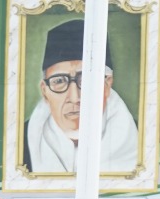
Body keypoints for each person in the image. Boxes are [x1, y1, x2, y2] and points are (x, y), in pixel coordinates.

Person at [23, 18, 140, 174]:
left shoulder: (143, 137)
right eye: (59, 81)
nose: (74, 97)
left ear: (107, 85)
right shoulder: (20, 143)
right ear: (45, 91)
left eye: (87, 80)